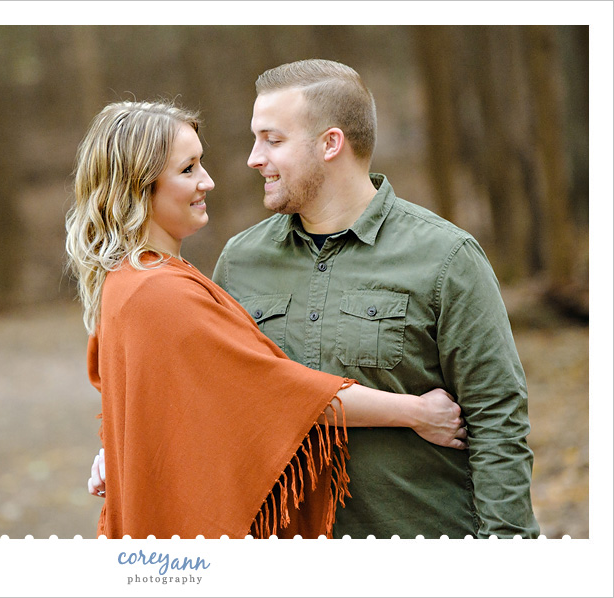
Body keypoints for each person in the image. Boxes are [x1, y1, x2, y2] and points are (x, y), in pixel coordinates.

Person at [66, 100, 467, 540]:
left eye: (202, 163)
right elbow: (280, 393)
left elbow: (162, 399)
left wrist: (121, 448)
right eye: (188, 169)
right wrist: (416, 412)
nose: (207, 181)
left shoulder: (128, 280)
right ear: (137, 187)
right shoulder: (161, 292)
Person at [210, 58, 539, 538]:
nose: (253, 158)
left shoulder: (446, 257)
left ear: (330, 143)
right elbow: (218, 401)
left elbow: (498, 419)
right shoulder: (240, 262)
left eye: (272, 140)